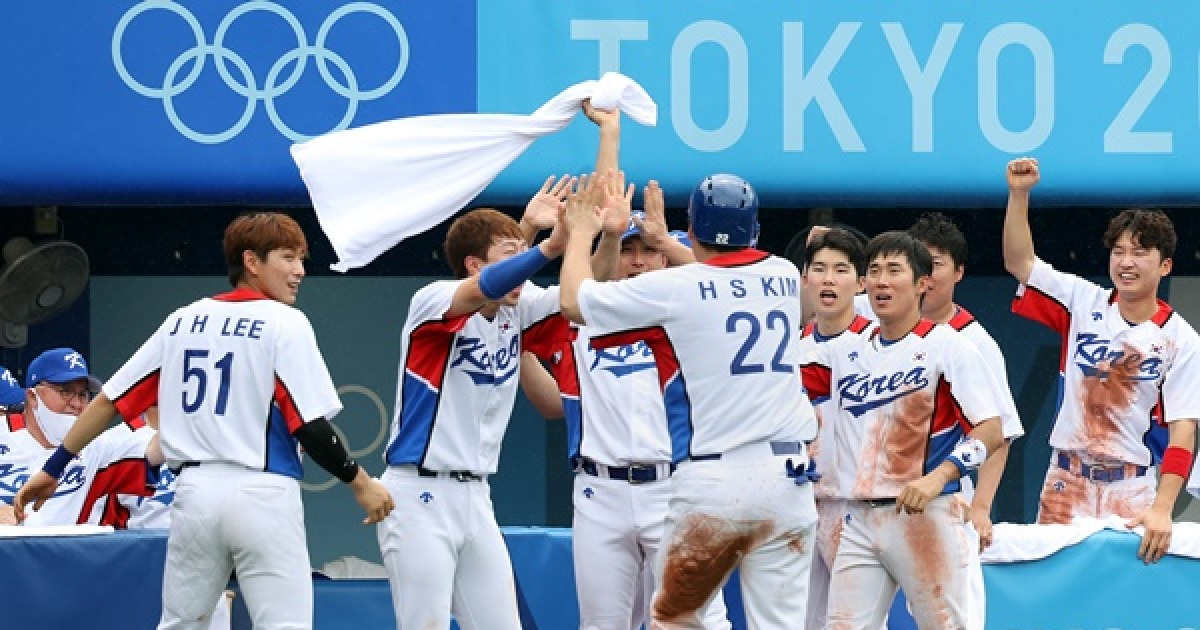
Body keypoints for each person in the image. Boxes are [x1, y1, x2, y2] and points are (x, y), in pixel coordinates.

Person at [13, 212, 395, 630]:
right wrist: (360, 482)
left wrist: (53, 468)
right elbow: (309, 426)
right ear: (251, 261)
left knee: (181, 624)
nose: (300, 271)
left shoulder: (183, 319)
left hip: (196, 495)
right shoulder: (285, 322)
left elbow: (108, 402)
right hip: (262, 492)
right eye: (288, 258)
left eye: (301, 259)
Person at [560, 173, 818, 629]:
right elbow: (724, 276)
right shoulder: (782, 273)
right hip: (787, 478)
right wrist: (666, 242)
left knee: (679, 620)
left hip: (714, 479)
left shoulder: (672, 289)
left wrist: (581, 235)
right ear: (754, 230)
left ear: (693, 229)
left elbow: (573, 304)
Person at [376, 196, 568, 629]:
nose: (524, 268)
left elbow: (579, 294)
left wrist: (597, 234)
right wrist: (545, 247)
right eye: (511, 255)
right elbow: (483, 289)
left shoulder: (515, 312)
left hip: (477, 496)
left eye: (523, 255)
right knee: (424, 624)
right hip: (419, 491)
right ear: (472, 265)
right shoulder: (432, 299)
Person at [800, 231, 1006, 629]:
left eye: (894, 271)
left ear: (922, 283)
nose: (882, 281)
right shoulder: (843, 350)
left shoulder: (950, 346)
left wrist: (941, 476)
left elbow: (991, 429)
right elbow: (777, 379)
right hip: (859, 519)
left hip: (926, 514)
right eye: (875, 271)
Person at [1003, 157, 1199, 564]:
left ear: (1165, 265)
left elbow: (1183, 432)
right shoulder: (1082, 301)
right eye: (1119, 251)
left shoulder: (1182, 341)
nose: (1126, 262)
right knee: (1053, 594)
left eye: (1139, 253)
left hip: (1131, 488)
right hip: (1065, 479)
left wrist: (1162, 508)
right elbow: (1020, 263)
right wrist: (1019, 194)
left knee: (1126, 599)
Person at [907, 212, 1024, 551]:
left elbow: (1000, 434)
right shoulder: (873, 323)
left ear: (958, 272)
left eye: (936, 264)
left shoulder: (975, 342)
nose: (925, 276)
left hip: (943, 496)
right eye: (917, 263)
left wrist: (981, 508)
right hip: (875, 493)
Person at [794, 228, 871, 630]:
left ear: (861, 283)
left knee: (854, 622)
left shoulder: (878, 344)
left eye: (841, 270)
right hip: (802, 502)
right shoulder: (791, 347)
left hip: (856, 505)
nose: (828, 279)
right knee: (800, 621)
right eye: (820, 269)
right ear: (805, 278)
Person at [0, 348, 163, 527]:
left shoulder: (98, 448)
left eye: (83, 394)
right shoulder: (4, 433)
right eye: (65, 391)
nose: (77, 403)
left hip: (67, 544)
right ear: (32, 397)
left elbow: (161, 447)